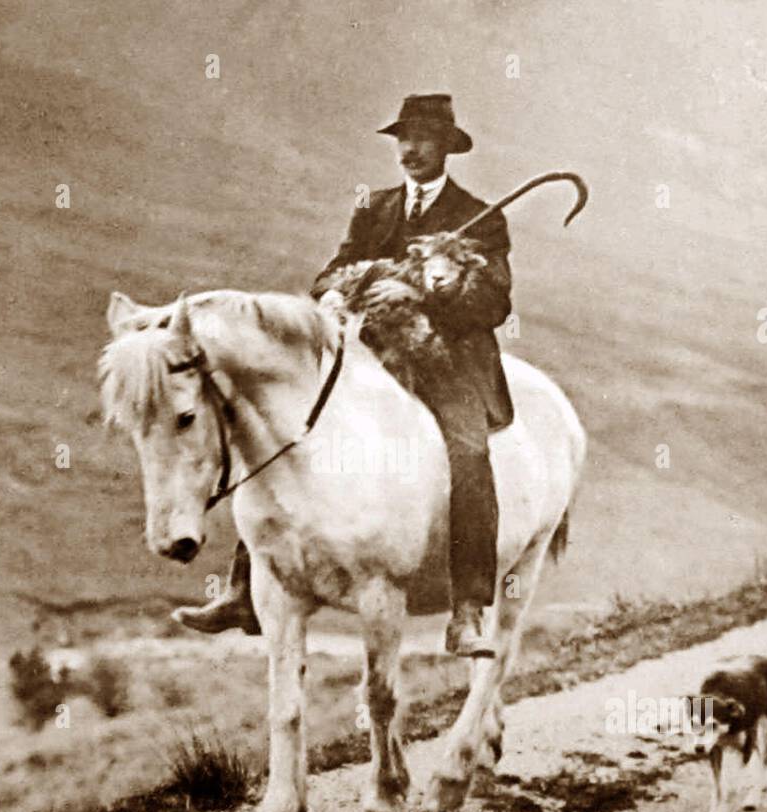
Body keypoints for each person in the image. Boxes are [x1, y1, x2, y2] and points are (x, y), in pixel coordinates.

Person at [174, 94, 514, 658]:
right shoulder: (375, 209)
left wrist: (432, 289)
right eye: (403, 138)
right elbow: (334, 269)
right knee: (287, 426)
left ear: (446, 147)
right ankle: (242, 590)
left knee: (469, 452)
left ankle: (469, 609)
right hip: (373, 350)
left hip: (448, 359)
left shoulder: (479, 216)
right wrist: (339, 289)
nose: (411, 149)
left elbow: (495, 301)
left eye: (424, 138)